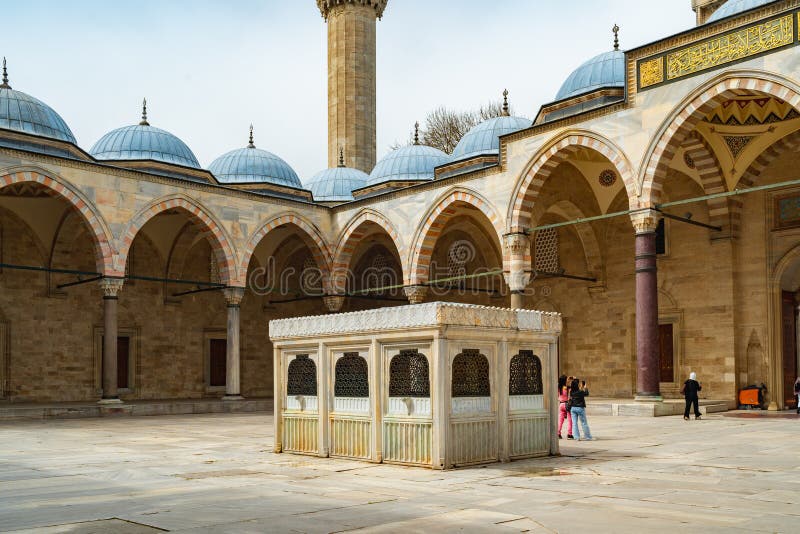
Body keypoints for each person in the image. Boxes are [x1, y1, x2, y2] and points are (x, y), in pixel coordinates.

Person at [557, 375, 573, 439]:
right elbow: (572, 385)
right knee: (570, 420)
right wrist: (572, 379)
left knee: (560, 420)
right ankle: (569, 434)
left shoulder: (559, 387)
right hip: (567, 404)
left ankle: (558, 433)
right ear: (565, 380)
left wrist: (567, 379)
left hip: (561, 405)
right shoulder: (567, 388)